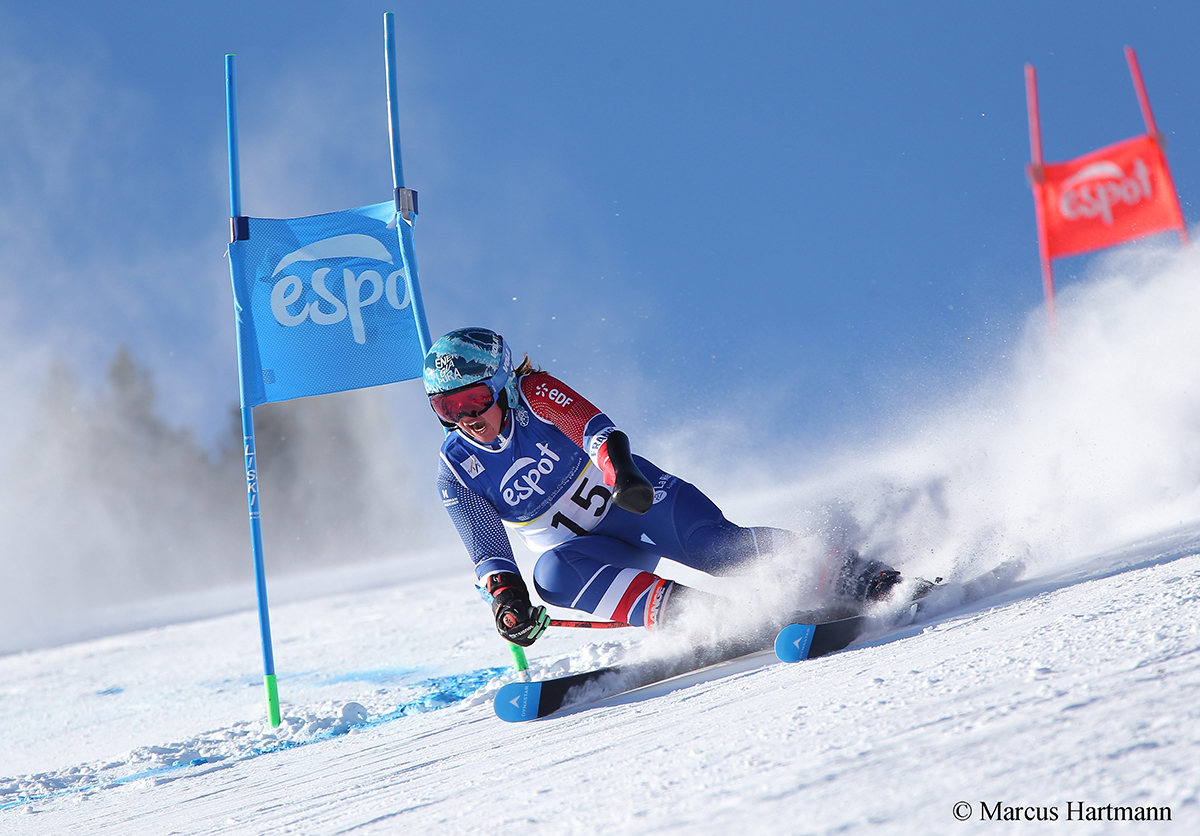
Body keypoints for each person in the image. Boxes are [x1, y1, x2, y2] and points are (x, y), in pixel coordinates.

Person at [424, 327, 905, 647]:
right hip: (592, 550)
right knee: (550, 576)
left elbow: (595, 431)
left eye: (475, 399)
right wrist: (507, 599)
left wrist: (622, 475)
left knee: (718, 551)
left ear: (503, 383)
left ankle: (858, 574)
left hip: (637, 502)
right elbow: (488, 552)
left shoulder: (534, 394)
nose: (467, 418)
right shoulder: (457, 470)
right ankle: (714, 621)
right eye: (448, 408)